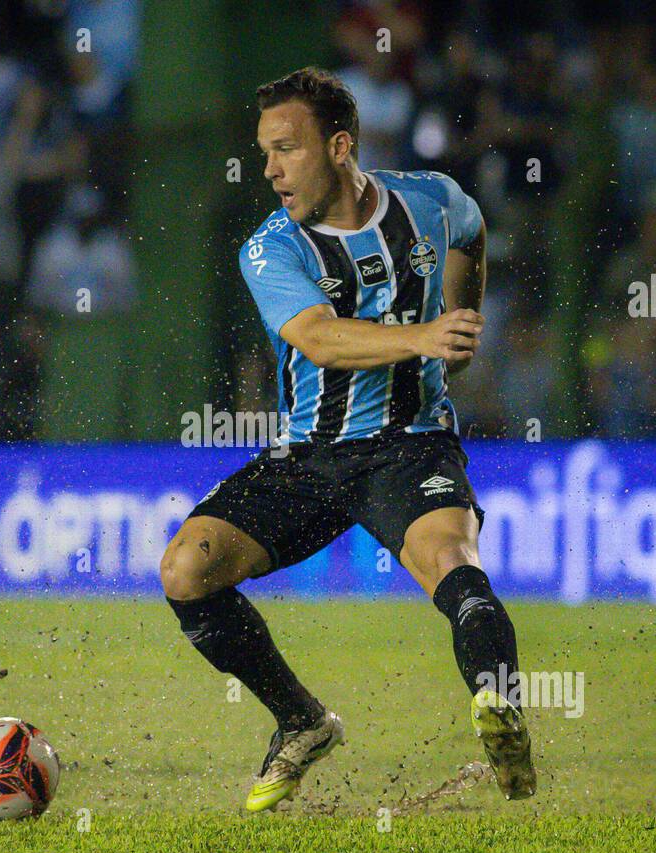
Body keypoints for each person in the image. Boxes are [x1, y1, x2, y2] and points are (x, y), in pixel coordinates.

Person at [159, 67, 536, 812]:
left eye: (286, 150)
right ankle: (300, 720)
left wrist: (461, 322)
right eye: (264, 151)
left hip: (411, 444)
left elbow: (471, 229)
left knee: (453, 566)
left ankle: (503, 713)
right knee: (184, 571)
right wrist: (428, 333)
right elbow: (320, 340)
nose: (269, 170)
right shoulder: (271, 249)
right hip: (307, 455)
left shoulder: (428, 201)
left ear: (339, 146)